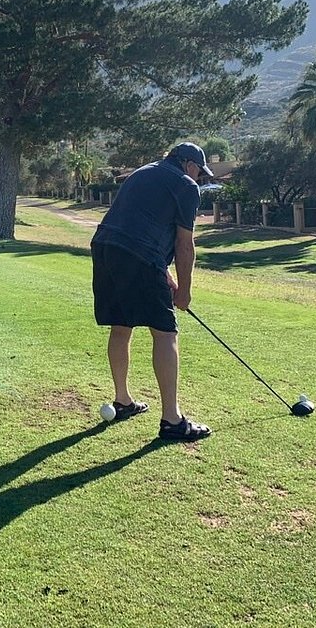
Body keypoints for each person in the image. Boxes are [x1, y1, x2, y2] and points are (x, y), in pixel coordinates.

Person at [90, 141, 214, 441]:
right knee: (164, 333)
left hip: (105, 248)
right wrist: (184, 291)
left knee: (121, 326)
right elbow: (185, 244)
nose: (200, 180)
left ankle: (123, 401)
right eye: (200, 174)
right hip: (137, 255)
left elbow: (141, 225)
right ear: (190, 165)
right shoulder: (186, 185)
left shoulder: (141, 172)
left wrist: (165, 275)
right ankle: (172, 420)